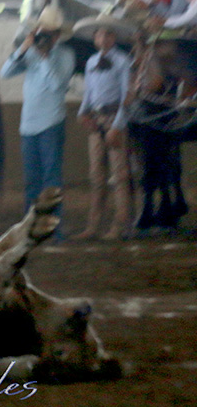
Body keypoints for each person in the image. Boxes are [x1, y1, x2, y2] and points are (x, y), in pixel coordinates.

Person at [0, 2, 76, 221]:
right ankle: (29, 226)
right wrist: (23, 49)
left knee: (51, 180)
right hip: (29, 125)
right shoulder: (30, 53)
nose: (45, 37)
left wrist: (44, 58)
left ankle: (54, 227)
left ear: (58, 35)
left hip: (51, 122)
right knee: (31, 181)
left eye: (50, 34)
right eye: (42, 32)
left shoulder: (65, 55)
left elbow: (56, 85)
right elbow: (5, 73)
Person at [71, 14, 135, 240]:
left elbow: (127, 95)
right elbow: (89, 93)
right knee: (96, 176)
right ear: (95, 39)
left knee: (119, 175)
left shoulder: (123, 61)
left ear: (114, 38)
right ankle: (93, 226)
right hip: (96, 119)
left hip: (113, 118)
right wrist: (82, 113)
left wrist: (117, 126)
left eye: (108, 34)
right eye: (99, 34)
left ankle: (121, 225)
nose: (103, 38)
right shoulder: (90, 62)